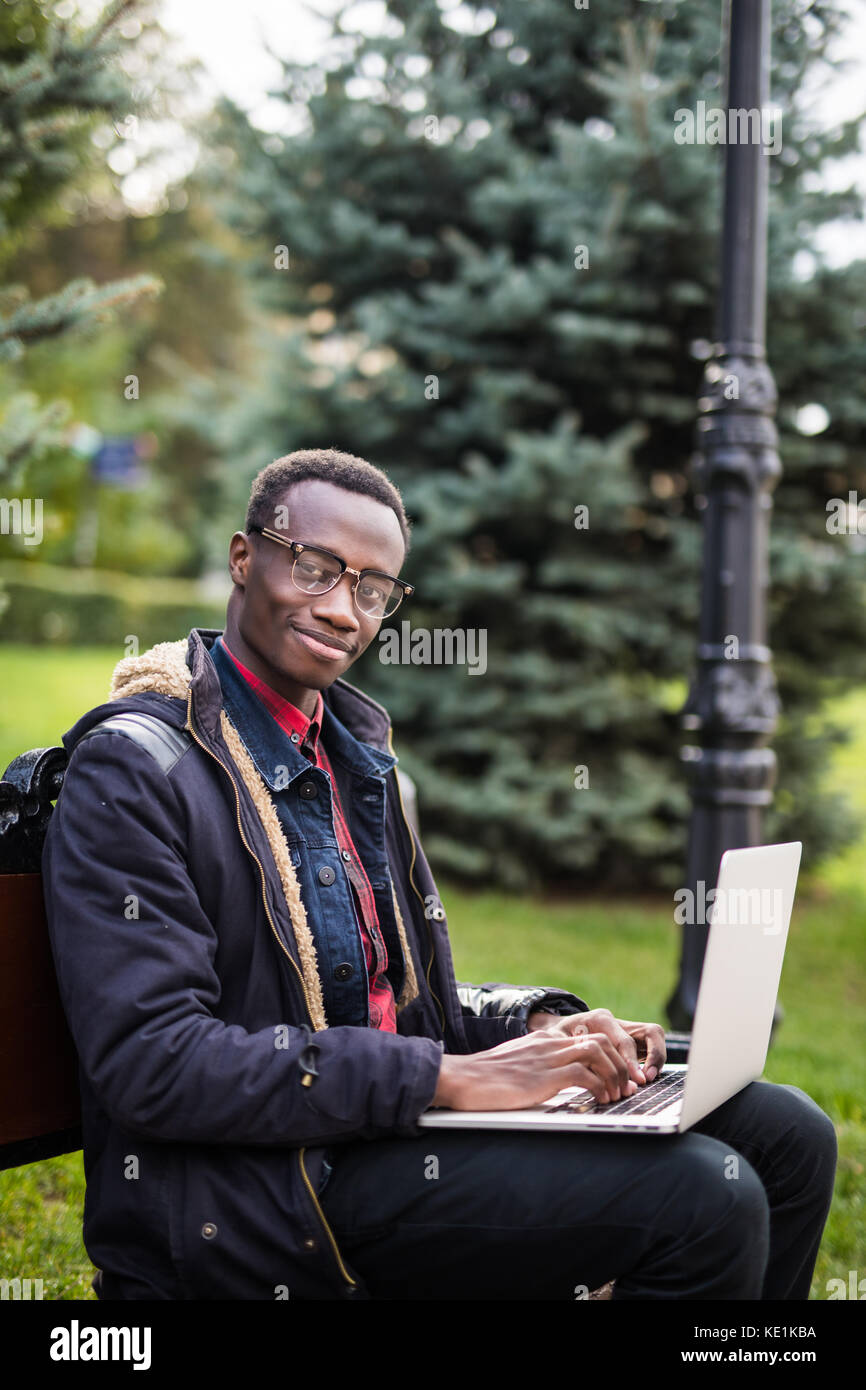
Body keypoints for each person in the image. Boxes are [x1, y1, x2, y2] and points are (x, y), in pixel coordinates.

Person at [41, 447, 837, 1301]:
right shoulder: (137, 768)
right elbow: (154, 1061)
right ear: (245, 557)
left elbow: (396, 1004)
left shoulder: (353, 755)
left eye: (374, 588)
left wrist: (532, 1026)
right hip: (269, 1194)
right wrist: (446, 1077)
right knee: (702, 1198)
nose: (344, 610)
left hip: (384, 1133)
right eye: (316, 569)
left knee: (790, 1136)